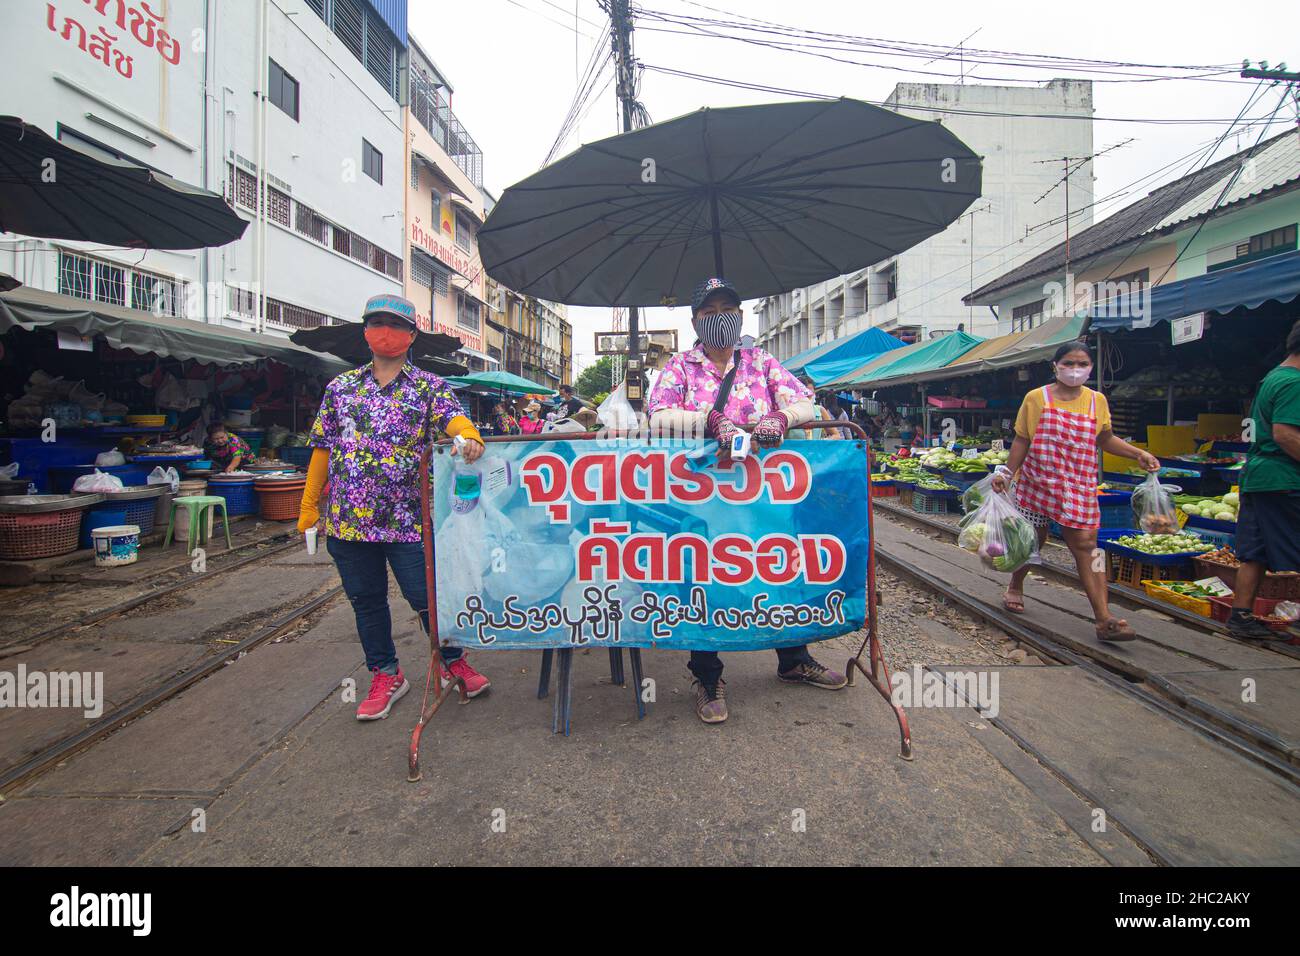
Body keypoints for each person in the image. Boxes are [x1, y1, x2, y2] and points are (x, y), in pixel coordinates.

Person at [646, 276, 848, 725]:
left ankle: (794, 658)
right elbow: (659, 415)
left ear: (740, 315)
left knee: (779, 567)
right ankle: (707, 675)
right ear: (697, 319)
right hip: (702, 497)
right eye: (711, 308)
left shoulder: (760, 361)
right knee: (703, 575)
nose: (722, 316)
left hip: (765, 494)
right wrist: (710, 420)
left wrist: (779, 417)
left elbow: (807, 404)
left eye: (729, 307)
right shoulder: (680, 366)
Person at [297, 293, 491, 721]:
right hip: (348, 522)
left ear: (411, 336)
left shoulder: (428, 386)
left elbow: (453, 420)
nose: (386, 333)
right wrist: (309, 508)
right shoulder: (341, 389)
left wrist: (469, 434)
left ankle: (451, 661)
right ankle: (386, 674)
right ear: (365, 333)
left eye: (396, 326)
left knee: (427, 598)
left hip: (409, 520)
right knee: (366, 602)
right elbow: (322, 450)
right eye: (377, 324)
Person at [992, 340, 1160, 642]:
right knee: (1033, 540)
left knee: (1088, 547)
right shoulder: (1036, 398)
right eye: (1068, 363)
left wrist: (1137, 454)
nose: (1074, 370)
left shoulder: (1097, 401)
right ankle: (1016, 584)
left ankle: (1104, 618)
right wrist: (1006, 472)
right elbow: (1022, 440)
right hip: (1038, 482)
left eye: (1082, 364)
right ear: (1055, 366)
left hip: (1079, 486)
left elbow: (1105, 439)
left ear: (1090, 368)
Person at [1227, 319, 1300, 641]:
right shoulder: (1294, 382)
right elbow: (1285, 434)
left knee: (1254, 552)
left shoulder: (1273, 377)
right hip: (1283, 479)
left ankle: (1241, 616)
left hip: (1258, 477)